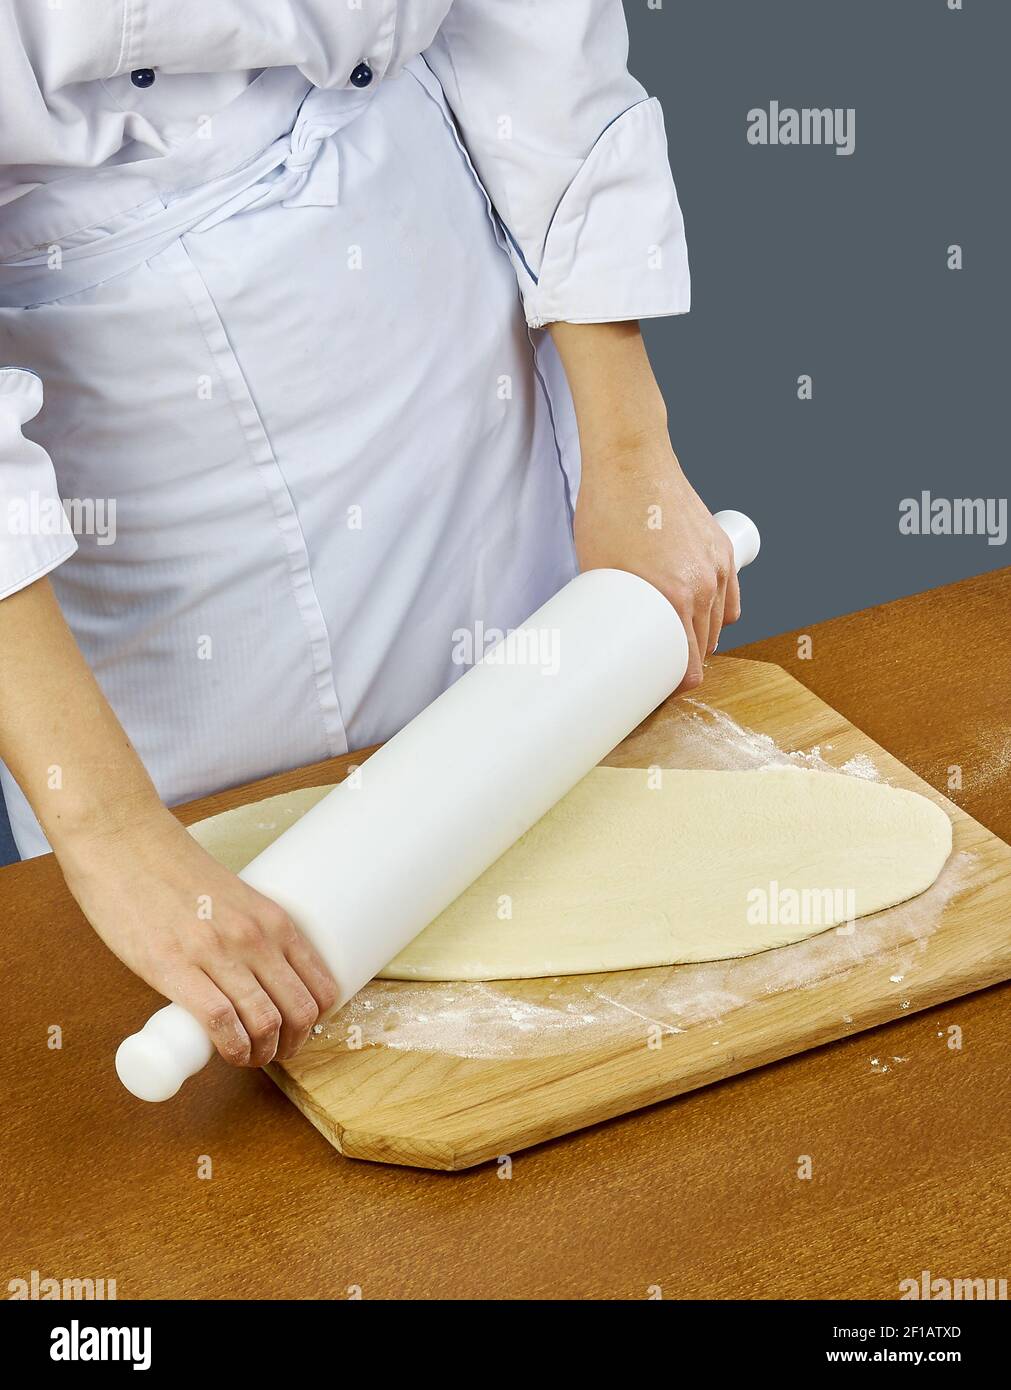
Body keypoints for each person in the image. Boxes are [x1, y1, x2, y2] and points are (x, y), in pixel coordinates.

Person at [0, 2, 740, 1072]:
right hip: (116, 434)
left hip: (417, 288)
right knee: (241, 1028)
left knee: (561, 870)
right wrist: (111, 826)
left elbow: (531, 30)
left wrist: (627, 443)